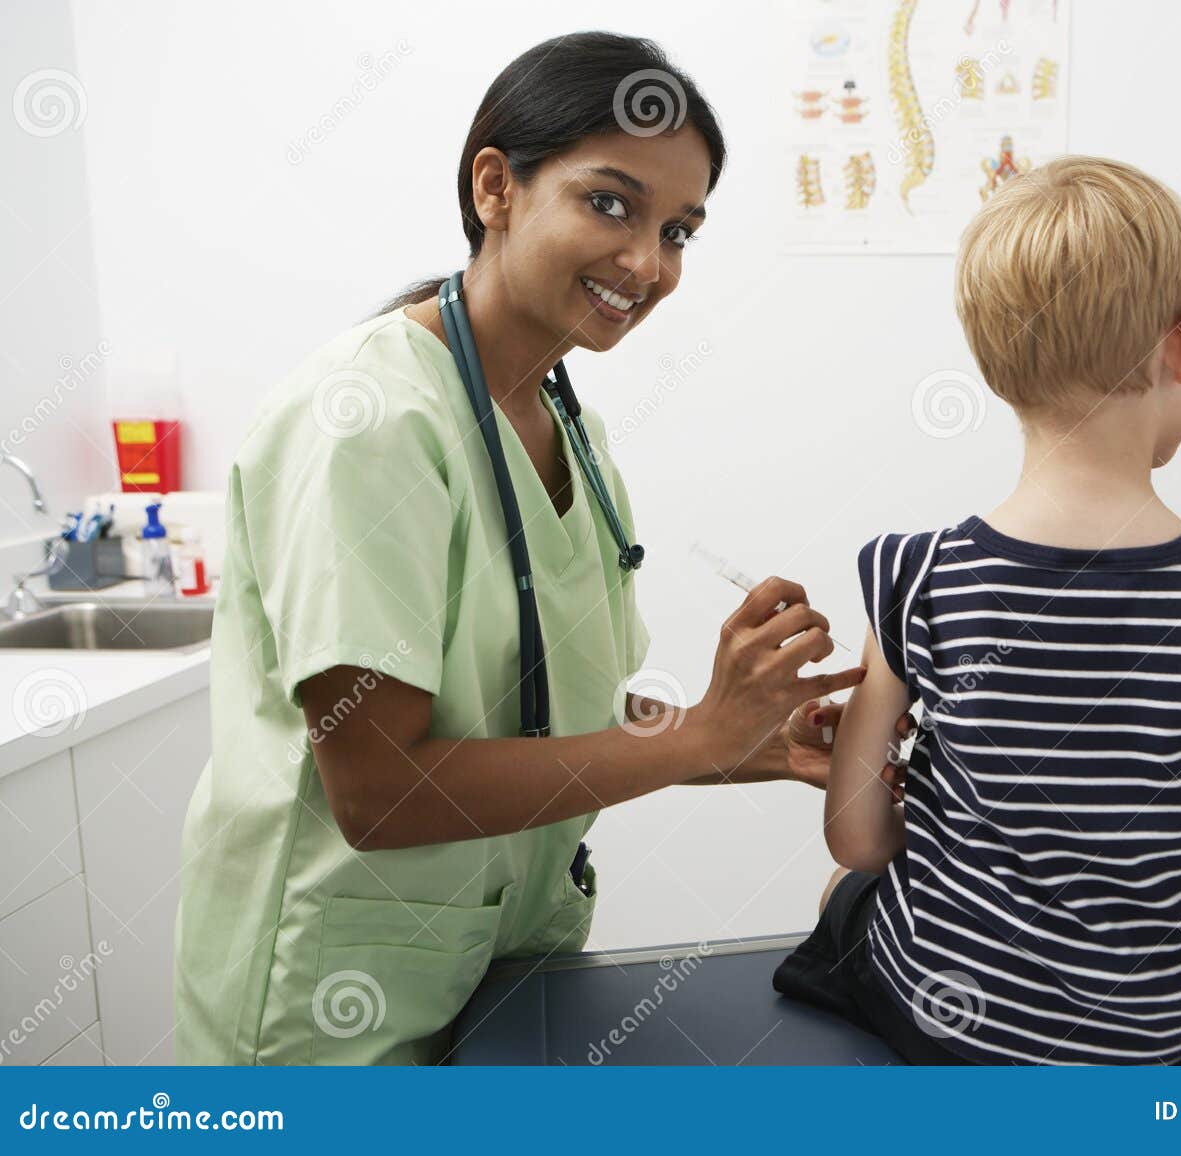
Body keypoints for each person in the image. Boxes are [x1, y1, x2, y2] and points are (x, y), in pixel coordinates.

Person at [174, 33, 867, 1065]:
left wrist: (750, 740)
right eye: (611, 203)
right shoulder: (368, 421)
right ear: (495, 186)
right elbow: (378, 789)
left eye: (679, 228)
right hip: (328, 1007)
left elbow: (540, 716)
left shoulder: (563, 426)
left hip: (491, 971)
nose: (648, 263)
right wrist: (693, 738)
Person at [773, 156, 1181, 1064]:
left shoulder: (918, 574)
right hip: (1163, 1035)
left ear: (993, 357)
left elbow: (858, 838)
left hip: (958, 1026)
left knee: (840, 894)